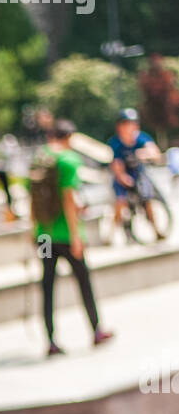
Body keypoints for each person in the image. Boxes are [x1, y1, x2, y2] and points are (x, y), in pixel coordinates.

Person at [31, 119, 112, 358]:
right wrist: (77, 237)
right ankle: (96, 330)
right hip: (67, 235)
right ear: (69, 138)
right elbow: (69, 198)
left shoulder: (38, 159)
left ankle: (51, 341)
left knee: (47, 284)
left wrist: (33, 231)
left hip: (44, 236)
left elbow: (32, 198)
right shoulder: (68, 160)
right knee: (83, 280)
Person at [108, 108, 165, 240]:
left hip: (139, 173)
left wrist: (143, 153)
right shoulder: (115, 142)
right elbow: (116, 165)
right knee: (120, 202)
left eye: (132, 123)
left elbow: (155, 153)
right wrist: (123, 177)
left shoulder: (141, 137)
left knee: (148, 199)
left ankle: (156, 229)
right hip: (122, 175)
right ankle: (111, 233)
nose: (129, 127)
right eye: (126, 124)